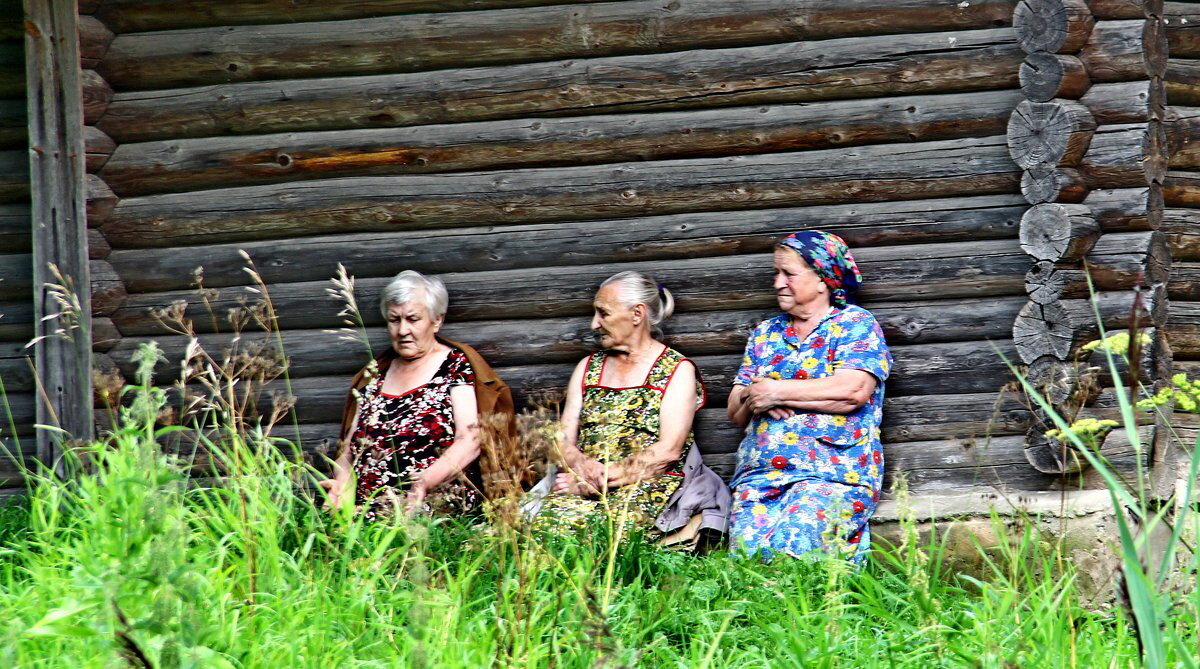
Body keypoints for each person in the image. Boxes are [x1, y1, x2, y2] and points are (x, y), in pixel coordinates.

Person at [727, 231, 892, 564]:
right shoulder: (765, 334)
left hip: (832, 475)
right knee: (746, 561)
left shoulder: (854, 325)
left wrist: (774, 391)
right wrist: (754, 394)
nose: (777, 283)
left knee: (798, 550)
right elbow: (736, 410)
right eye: (776, 273)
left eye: (788, 274)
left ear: (823, 279)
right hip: (761, 476)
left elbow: (851, 392)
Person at [531, 271, 729, 541]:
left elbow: (668, 450)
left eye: (603, 313)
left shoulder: (676, 370)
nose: (594, 325)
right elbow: (563, 439)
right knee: (544, 527)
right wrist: (581, 466)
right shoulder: (588, 368)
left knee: (606, 532)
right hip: (582, 481)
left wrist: (598, 482)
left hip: (646, 483)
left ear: (637, 314)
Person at [320, 270, 515, 521]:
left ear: (436, 320)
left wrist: (424, 483)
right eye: (394, 320)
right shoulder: (375, 374)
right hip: (369, 506)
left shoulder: (455, 366)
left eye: (413, 319)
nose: (402, 330)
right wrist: (343, 493)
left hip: (434, 502)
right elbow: (349, 450)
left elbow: (471, 439)